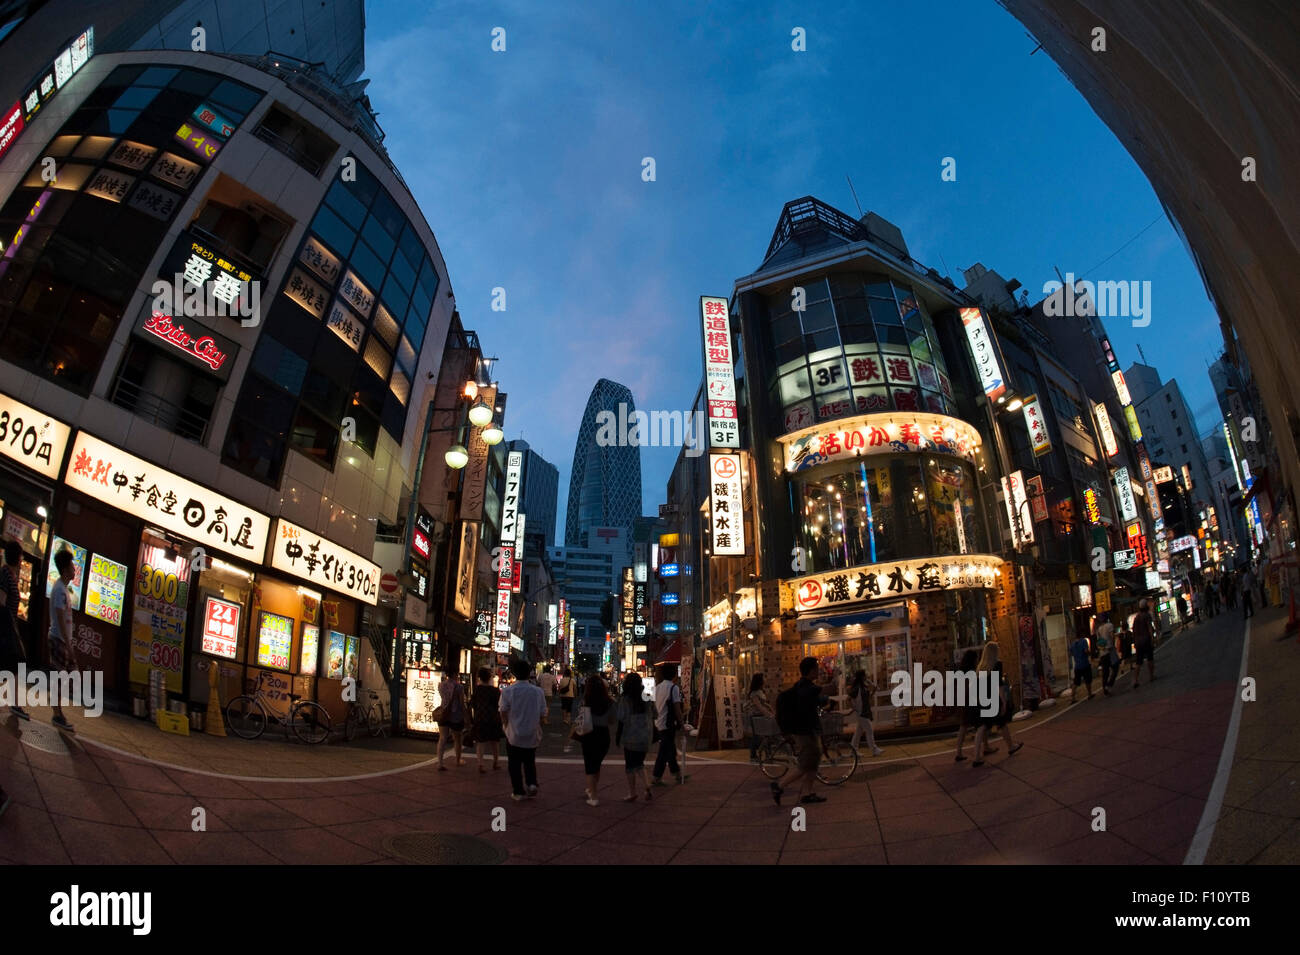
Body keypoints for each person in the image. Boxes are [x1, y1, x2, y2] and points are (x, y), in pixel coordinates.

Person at [771, 656, 829, 805]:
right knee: (805, 764)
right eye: (816, 668)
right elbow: (815, 700)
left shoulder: (802, 686)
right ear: (810, 671)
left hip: (806, 731)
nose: (818, 670)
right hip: (805, 732)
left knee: (813, 762)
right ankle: (779, 786)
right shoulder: (806, 688)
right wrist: (824, 698)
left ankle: (808, 793)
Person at [499, 660, 546, 800]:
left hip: (514, 732)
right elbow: (543, 714)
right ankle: (532, 783)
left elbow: (503, 711)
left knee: (514, 763)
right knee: (529, 760)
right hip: (532, 732)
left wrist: (506, 725)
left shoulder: (508, 691)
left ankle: (518, 791)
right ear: (529, 673)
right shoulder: (538, 692)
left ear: (514, 673)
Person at [972, 643, 1022, 766]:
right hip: (993, 698)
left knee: (982, 727)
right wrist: (1004, 701)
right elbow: (998, 683)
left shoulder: (980, 667)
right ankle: (1011, 746)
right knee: (1002, 723)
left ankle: (976, 756)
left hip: (983, 699)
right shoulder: (997, 664)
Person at [46, 548, 77, 733]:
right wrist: (68, 643)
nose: (75, 569)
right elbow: (59, 617)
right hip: (59, 639)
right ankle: (57, 715)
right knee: (62, 679)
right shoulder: (59, 590)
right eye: (72, 566)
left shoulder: (62, 588)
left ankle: (58, 713)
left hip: (62, 640)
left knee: (69, 677)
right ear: (66, 569)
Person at [574, 673, 616, 806]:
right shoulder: (610, 702)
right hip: (603, 735)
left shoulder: (585, 701)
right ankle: (591, 790)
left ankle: (593, 796)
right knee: (596, 764)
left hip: (589, 733)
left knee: (590, 766)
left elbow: (580, 718)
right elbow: (612, 720)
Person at [0, 540, 31, 721]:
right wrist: (9, 628)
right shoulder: (5, 573)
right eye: (20, 556)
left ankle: (14, 703)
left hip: (10, 628)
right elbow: (1, 602)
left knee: (13, 665)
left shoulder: (10, 574)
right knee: (14, 663)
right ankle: (14, 703)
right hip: (6, 628)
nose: (21, 559)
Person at [616, 672, 656, 802]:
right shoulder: (648, 696)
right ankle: (647, 785)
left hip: (630, 736)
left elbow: (621, 719)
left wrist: (618, 736)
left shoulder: (625, 699)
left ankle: (632, 792)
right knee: (639, 763)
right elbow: (655, 713)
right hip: (645, 736)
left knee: (630, 766)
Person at [651, 663, 684, 786]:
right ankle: (656, 777)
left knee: (669, 749)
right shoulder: (673, 688)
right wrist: (682, 723)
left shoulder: (658, 687)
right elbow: (677, 708)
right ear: (674, 674)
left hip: (659, 722)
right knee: (664, 751)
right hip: (668, 724)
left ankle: (677, 774)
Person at [469, 667, 504, 773]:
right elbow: (500, 705)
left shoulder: (477, 690)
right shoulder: (495, 690)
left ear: (480, 678)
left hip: (480, 718)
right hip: (493, 718)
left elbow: (472, 704)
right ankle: (496, 762)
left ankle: (480, 764)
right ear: (489, 678)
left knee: (480, 742)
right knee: (495, 742)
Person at [953, 649, 981, 761]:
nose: (977, 660)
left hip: (963, 702)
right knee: (980, 725)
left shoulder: (961, 670)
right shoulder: (971, 671)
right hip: (970, 702)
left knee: (964, 727)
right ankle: (979, 754)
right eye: (976, 658)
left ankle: (959, 752)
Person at [436, 670, 467, 770]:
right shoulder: (459, 687)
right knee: (457, 738)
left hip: (444, 714)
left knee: (442, 738)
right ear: (454, 674)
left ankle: (440, 763)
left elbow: (443, 698)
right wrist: (466, 716)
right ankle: (458, 760)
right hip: (456, 715)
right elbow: (462, 703)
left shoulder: (441, 685)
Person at [847, 670, 884, 756]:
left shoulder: (864, 687)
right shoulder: (857, 688)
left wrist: (871, 684)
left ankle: (853, 750)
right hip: (861, 712)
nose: (866, 676)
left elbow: (874, 691)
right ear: (861, 677)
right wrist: (854, 707)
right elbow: (848, 699)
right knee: (869, 730)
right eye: (865, 675)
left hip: (865, 711)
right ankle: (874, 749)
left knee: (859, 732)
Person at [744, 674, 774, 762]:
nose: (765, 679)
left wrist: (771, 711)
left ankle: (768, 755)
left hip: (761, 716)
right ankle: (753, 756)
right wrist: (769, 714)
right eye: (763, 678)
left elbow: (764, 704)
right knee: (756, 736)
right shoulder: (754, 693)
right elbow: (759, 706)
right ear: (759, 681)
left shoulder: (760, 691)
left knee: (765, 735)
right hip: (755, 716)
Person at [1132, 598, 1157, 687]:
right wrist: (1153, 638)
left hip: (1138, 642)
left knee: (1138, 662)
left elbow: (1134, 631)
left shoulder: (1136, 617)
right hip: (1146, 640)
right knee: (1150, 658)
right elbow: (1149, 628)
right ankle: (1151, 676)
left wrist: (1135, 642)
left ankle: (1135, 680)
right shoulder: (1147, 615)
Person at [1094, 613, 1117, 695]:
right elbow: (1112, 636)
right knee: (1115, 668)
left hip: (1103, 652)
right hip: (1110, 650)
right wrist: (1113, 645)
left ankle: (1105, 688)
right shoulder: (1109, 625)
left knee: (1105, 671)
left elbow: (1099, 642)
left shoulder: (1099, 629)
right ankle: (1109, 684)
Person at [1070, 631, 1094, 701]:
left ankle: (1073, 697)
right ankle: (1089, 694)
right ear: (1082, 634)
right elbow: (1086, 651)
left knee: (1076, 682)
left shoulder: (1073, 644)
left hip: (1077, 665)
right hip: (1085, 664)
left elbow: (1071, 653)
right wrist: (1090, 653)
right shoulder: (1083, 641)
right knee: (1087, 680)